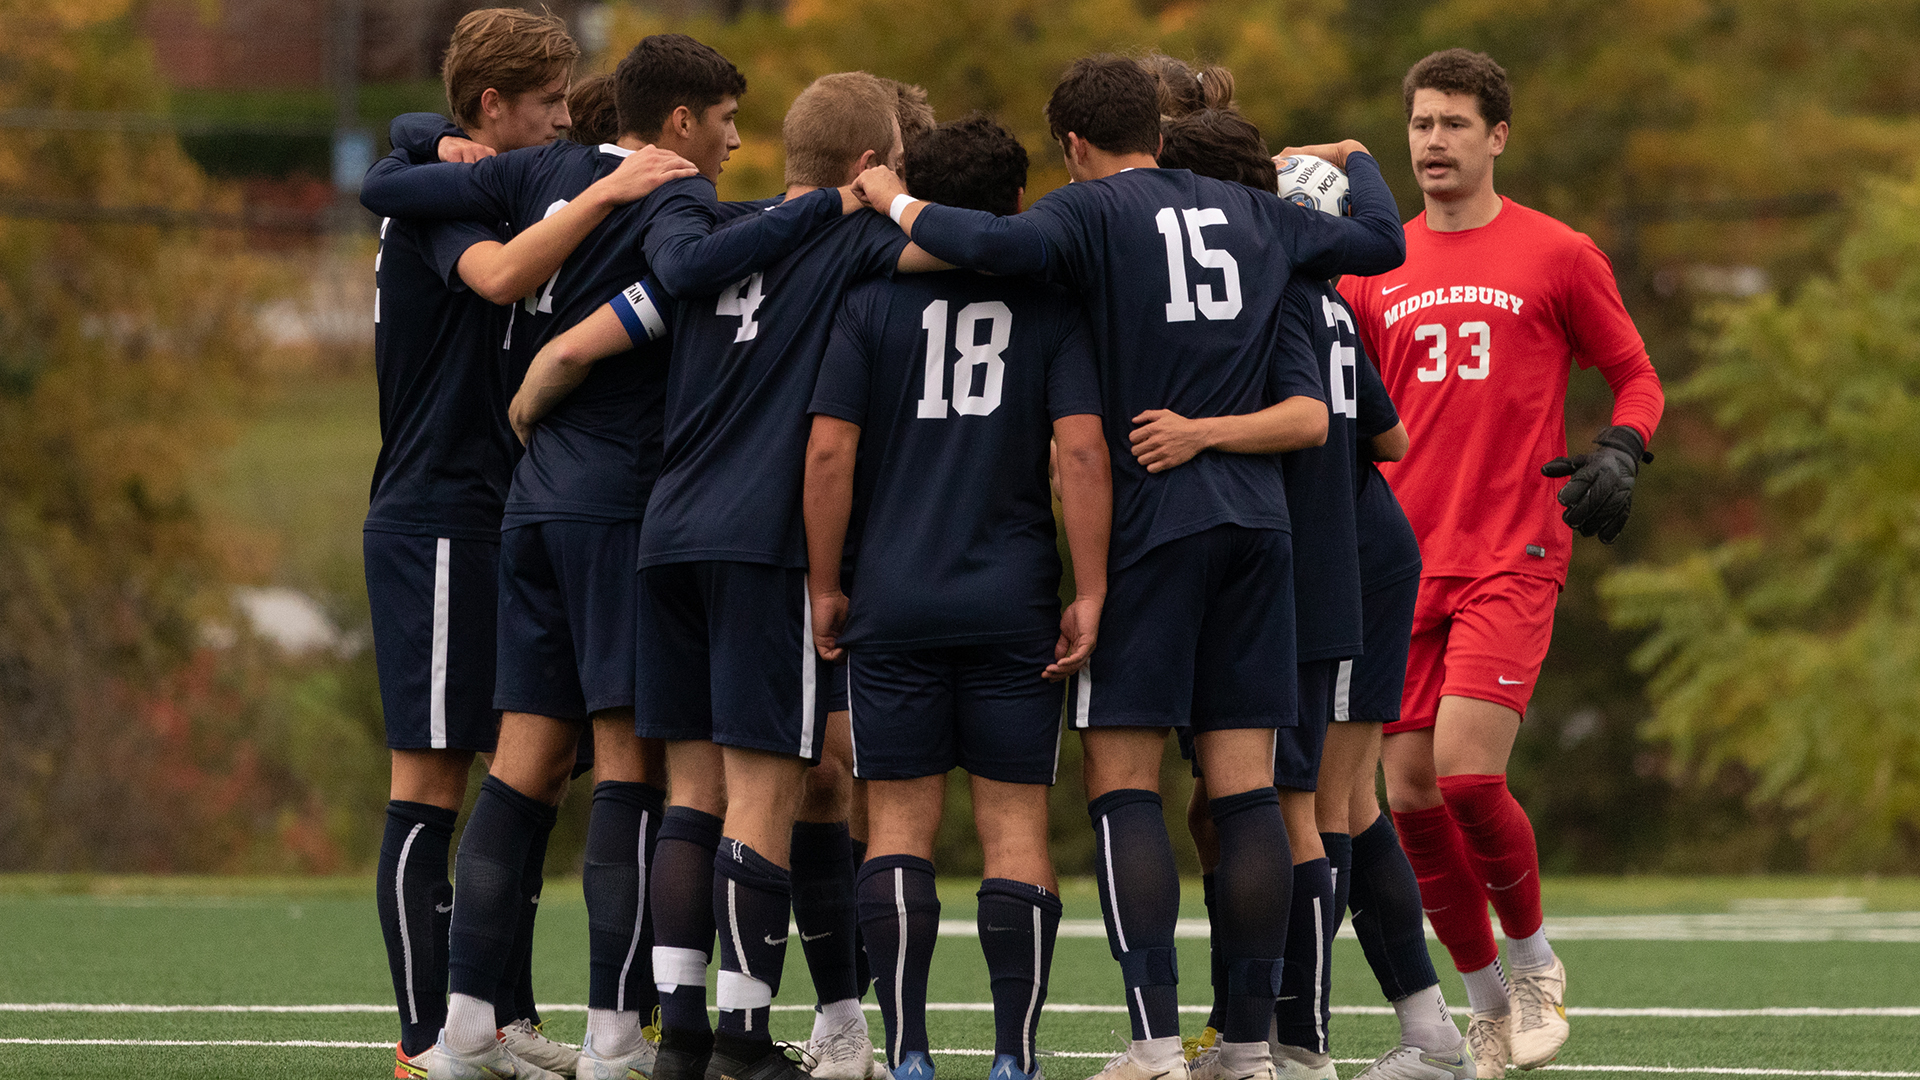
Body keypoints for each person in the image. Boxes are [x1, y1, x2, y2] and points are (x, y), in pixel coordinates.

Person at [852, 54, 1404, 1080]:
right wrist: (1357, 157)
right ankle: (1246, 1044)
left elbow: (979, 240)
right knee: (1245, 793)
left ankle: (1152, 1039)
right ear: (1156, 124)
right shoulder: (1258, 211)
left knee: (1124, 783)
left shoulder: (1091, 212)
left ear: (1071, 147)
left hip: (1154, 522)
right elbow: (1380, 239)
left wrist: (891, 195)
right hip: (1258, 528)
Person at [361, 32, 864, 1080]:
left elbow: (397, 172)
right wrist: (832, 206)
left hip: (533, 502)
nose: (735, 142)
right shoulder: (668, 201)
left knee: (523, 765)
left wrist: (428, 140)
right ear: (678, 123)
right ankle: (613, 1035)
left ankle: (461, 1032)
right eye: (725, 121)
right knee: (632, 768)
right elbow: (686, 274)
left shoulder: (542, 168)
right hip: (610, 508)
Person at [516, 70, 947, 1080]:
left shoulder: (713, 241)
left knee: (692, 795)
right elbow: (976, 255)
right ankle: (748, 1042)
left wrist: (537, 387)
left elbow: (596, 334)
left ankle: (680, 1035)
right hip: (764, 544)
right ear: (868, 165)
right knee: (765, 791)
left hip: (667, 537)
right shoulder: (858, 239)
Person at [364, 10, 686, 1078]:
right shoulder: (447, 207)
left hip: (508, 509)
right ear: (492, 108)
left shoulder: (472, 167)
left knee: (530, 774)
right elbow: (499, 277)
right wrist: (604, 189)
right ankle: (426, 1039)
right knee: (432, 782)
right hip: (439, 515)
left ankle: (496, 1020)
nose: (561, 122)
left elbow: (447, 147)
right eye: (544, 105)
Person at [1339, 48, 1665, 1078]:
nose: (1432, 142)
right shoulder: (1370, 266)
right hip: (1401, 564)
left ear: (1497, 136)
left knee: (1469, 775)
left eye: (1452, 124)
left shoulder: (1558, 253)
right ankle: (1482, 1007)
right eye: (1420, 124)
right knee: (1410, 800)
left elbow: (1636, 376)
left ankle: (1534, 964)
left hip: (1514, 549)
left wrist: (1622, 447)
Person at [803, 112, 1110, 1080]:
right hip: (1011, 600)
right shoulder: (1050, 303)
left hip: (892, 598)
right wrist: (1091, 589)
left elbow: (827, 452)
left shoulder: (863, 303)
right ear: (1017, 205)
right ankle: (1013, 1056)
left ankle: (908, 1053)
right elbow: (1081, 452)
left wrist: (822, 583)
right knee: (1014, 829)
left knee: (895, 829)